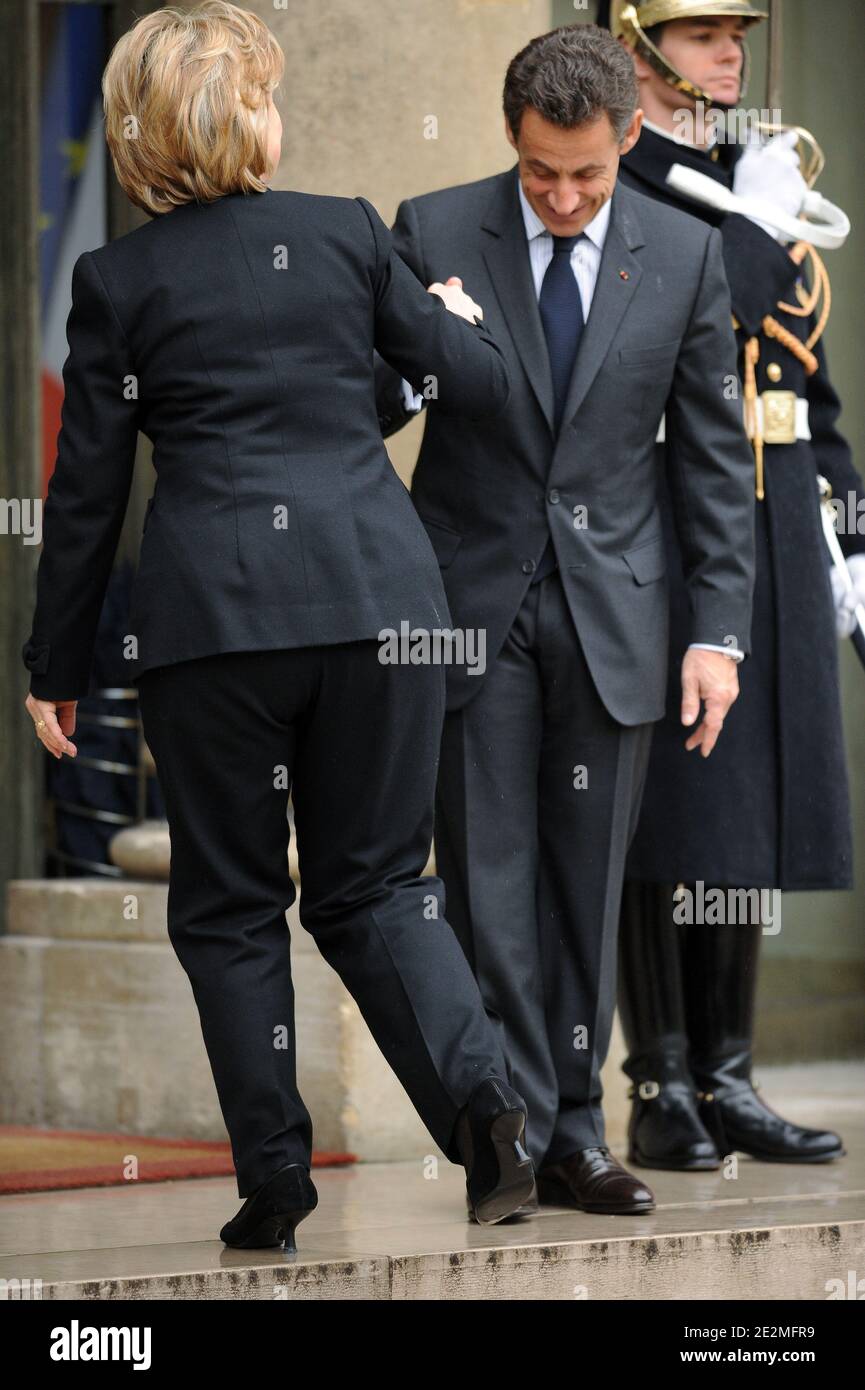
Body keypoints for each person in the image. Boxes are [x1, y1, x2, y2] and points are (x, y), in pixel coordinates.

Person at [21, 0, 537, 1249]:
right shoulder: (351, 234)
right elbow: (454, 388)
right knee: (378, 889)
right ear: (247, 116)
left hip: (213, 626)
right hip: (378, 606)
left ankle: (275, 1180)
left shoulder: (117, 279)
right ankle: (488, 1116)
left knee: (230, 904)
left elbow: (86, 492)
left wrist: (58, 661)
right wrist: (451, 325)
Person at [375, 22, 756, 1216]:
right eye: (541, 171)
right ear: (511, 137)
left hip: (617, 616)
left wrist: (718, 634)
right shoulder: (431, 228)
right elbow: (374, 404)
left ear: (627, 136)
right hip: (470, 607)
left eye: (586, 173)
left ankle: (574, 1130)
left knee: (584, 892)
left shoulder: (689, 254)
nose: (562, 196)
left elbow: (706, 459)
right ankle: (526, 1130)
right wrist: (420, 339)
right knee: (488, 891)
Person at [603, 0, 865, 1168]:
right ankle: (657, 1078)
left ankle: (728, 1075)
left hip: (775, 515)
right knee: (668, 803)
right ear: (637, 43)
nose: (728, 52)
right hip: (667, 517)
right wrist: (753, 227)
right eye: (699, 32)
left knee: (750, 802)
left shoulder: (744, 172)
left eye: (735, 32)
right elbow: (705, 312)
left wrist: (851, 532)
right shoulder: (620, 175)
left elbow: (808, 389)